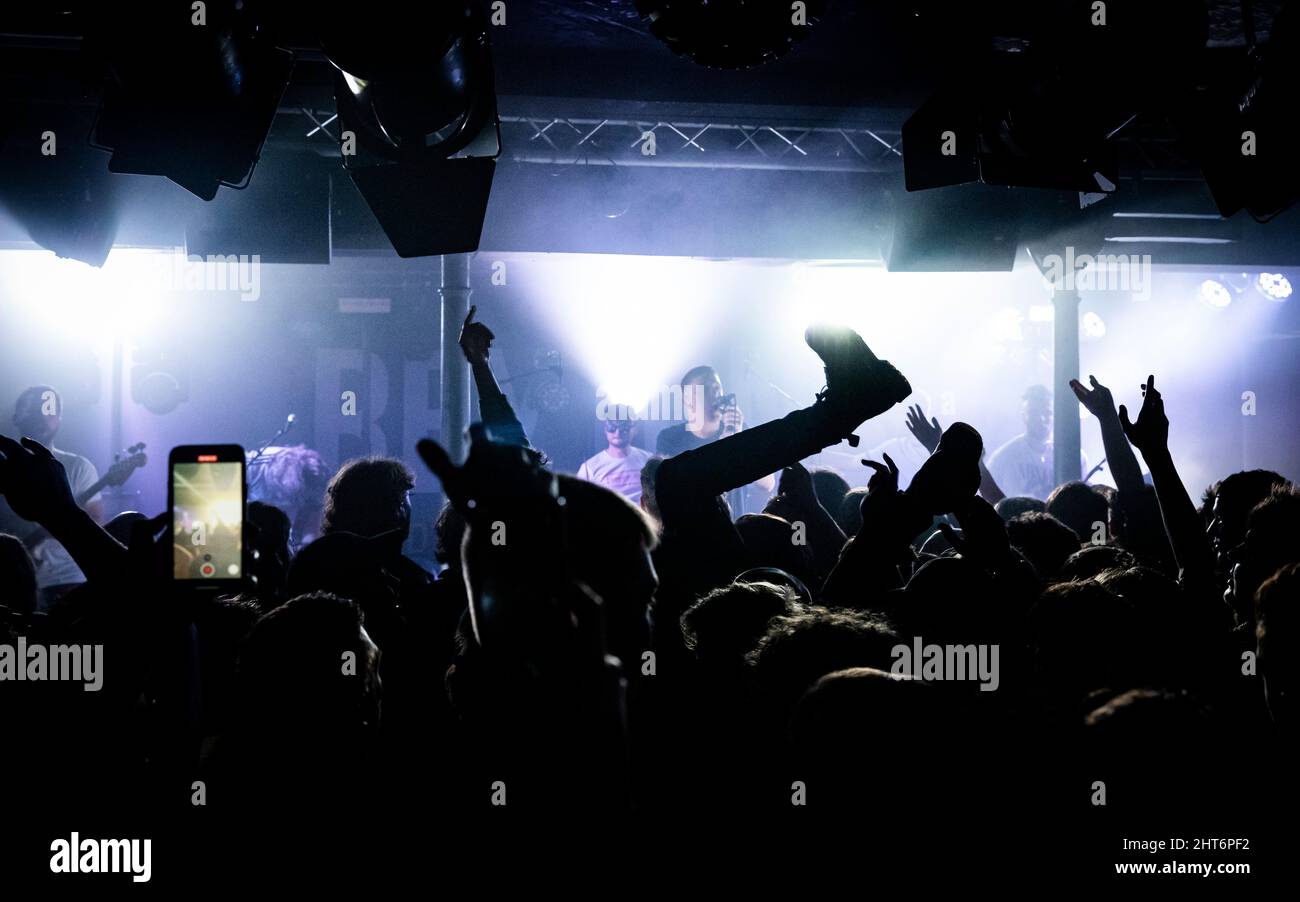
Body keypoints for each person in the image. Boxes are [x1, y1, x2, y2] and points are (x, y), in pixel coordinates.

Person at [5, 386, 102, 609]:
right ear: (16, 418)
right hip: (14, 578)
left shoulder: (79, 467)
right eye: (32, 410)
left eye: (48, 410)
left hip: (66, 579)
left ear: (59, 419)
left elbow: (97, 520)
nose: (41, 417)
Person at [654, 364, 775, 508]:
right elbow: (673, 489)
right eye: (706, 388)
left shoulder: (740, 430)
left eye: (717, 387)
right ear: (687, 400)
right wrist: (724, 446)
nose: (716, 393)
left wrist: (741, 440)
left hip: (735, 526)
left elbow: (767, 484)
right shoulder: (670, 439)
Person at [987, 385, 1055, 499]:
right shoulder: (1003, 458)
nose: (1041, 419)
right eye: (1034, 413)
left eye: (1047, 413)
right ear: (1024, 415)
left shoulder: (1075, 458)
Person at [575, 418, 653, 503]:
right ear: (605, 429)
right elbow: (578, 502)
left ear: (634, 429)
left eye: (624, 426)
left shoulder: (648, 460)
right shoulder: (589, 467)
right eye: (612, 427)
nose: (617, 432)